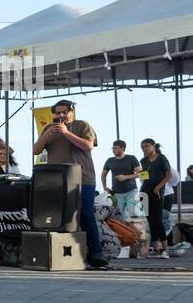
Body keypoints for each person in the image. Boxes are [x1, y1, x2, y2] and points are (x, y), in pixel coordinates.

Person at [33, 99, 105, 268]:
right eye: (57, 113)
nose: (61, 115)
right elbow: (35, 150)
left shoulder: (82, 125)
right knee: (60, 216)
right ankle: (63, 253)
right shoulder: (48, 129)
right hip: (57, 180)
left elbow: (88, 146)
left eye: (64, 112)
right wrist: (47, 134)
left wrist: (66, 132)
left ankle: (96, 252)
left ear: (72, 112)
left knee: (85, 214)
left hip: (83, 178)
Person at [140, 138, 173, 256]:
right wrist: (139, 173)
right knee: (150, 220)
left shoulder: (161, 158)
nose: (145, 148)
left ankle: (165, 248)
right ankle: (155, 248)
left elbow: (169, 175)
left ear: (153, 146)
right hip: (144, 193)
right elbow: (144, 177)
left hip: (156, 193)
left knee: (158, 220)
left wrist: (158, 188)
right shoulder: (143, 160)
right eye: (142, 147)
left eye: (147, 146)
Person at [102, 140, 142, 220]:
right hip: (117, 194)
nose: (113, 150)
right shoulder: (110, 160)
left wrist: (125, 177)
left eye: (115, 148)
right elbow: (103, 175)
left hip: (131, 192)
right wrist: (105, 187)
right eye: (112, 148)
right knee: (120, 218)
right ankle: (126, 232)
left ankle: (137, 232)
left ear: (122, 148)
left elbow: (143, 175)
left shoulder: (131, 158)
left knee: (134, 215)